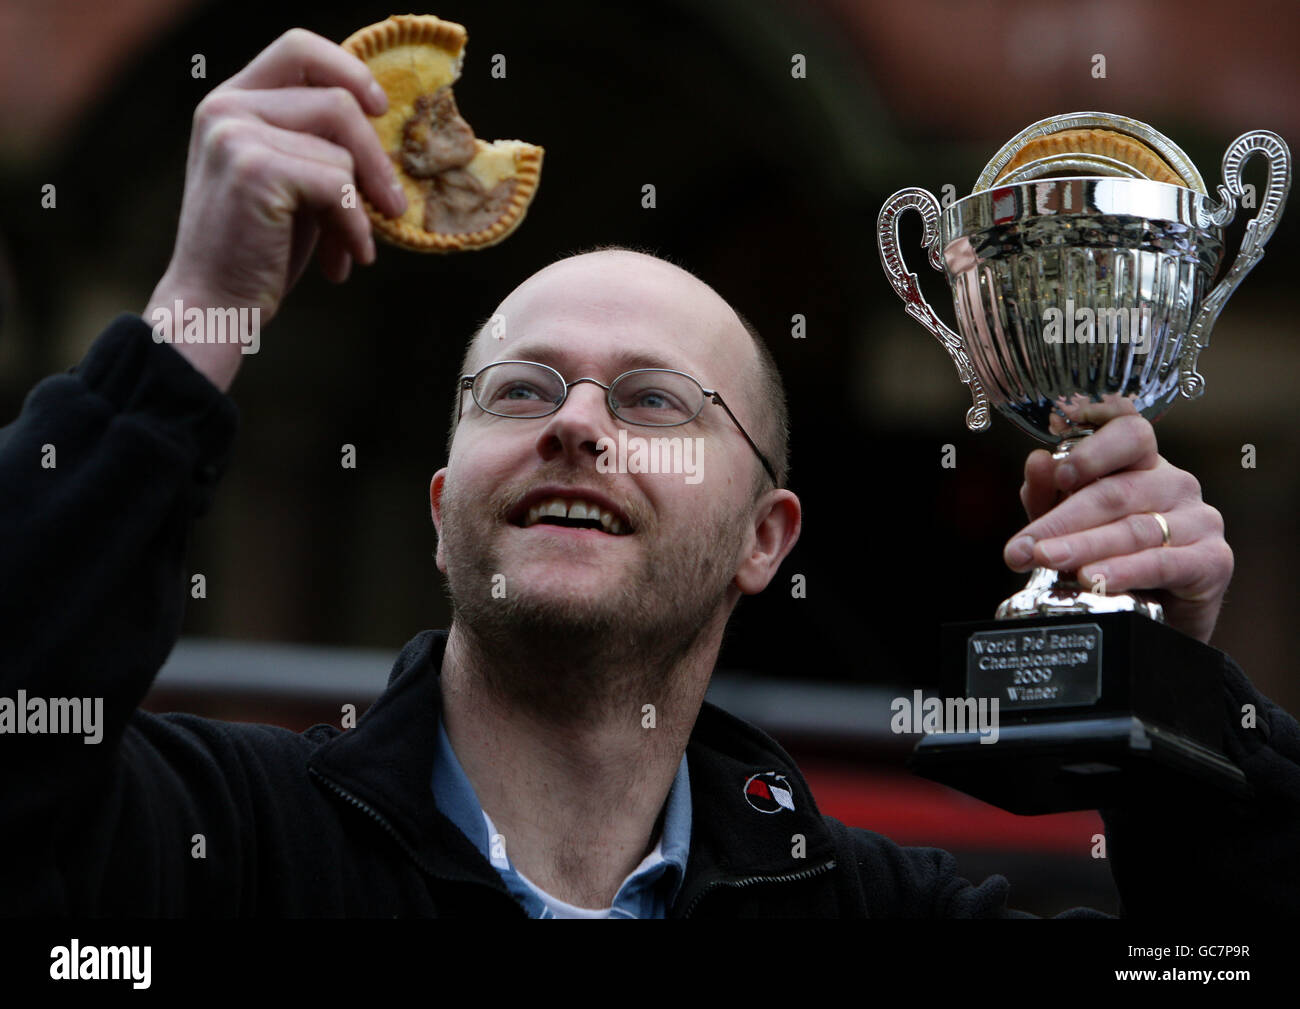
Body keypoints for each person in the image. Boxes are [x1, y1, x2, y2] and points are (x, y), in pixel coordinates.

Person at [3, 29, 1297, 918]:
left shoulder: (859, 905)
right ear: (446, 508)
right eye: (518, 390)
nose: (575, 423)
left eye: (654, 400)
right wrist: (194, 322)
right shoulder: (221, 848)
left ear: (765, 536)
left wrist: (1174, 700)